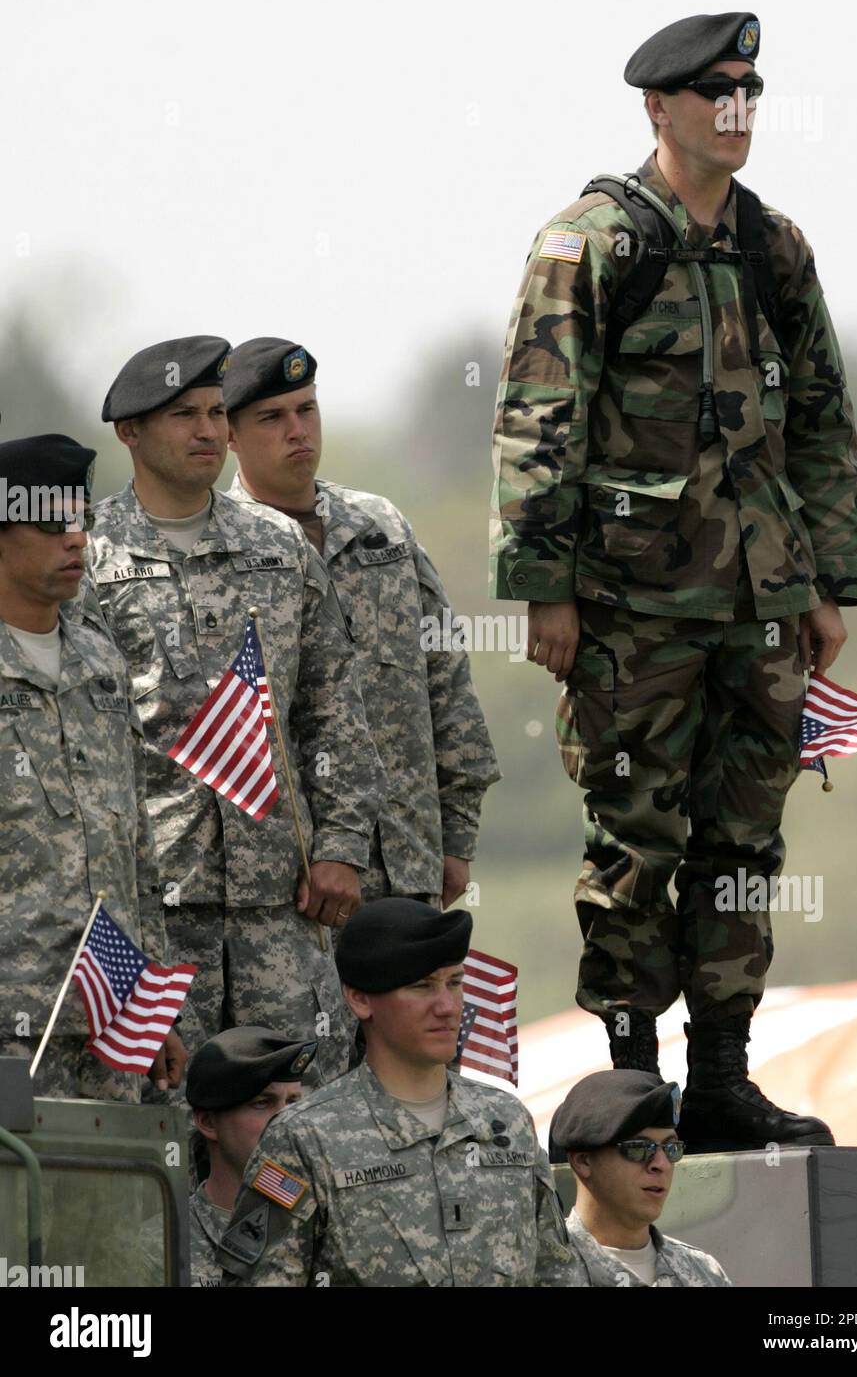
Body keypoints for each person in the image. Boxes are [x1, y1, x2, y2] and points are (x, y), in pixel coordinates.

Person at [489, 12, 857, 1149]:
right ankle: (630, 1082)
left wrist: (826, 581)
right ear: (659, 108)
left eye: (749, 93)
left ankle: (720, 1077)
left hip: (757, 607)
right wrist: (543, 588)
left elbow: (821, 423)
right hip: (631, 607)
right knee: (635, 842)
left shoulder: (774, 247)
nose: (736, 112)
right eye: (715, 94)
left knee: (743, 846)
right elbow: (536, 420)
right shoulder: (593, 243)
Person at [83, 337, 385, 1088]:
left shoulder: (278, 547)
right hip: (154, 908)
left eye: (218, 414)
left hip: (278, 906)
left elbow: (330, 708)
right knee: (168, 1125)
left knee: (293, 1120)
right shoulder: (87, 555)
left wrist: (344, 844)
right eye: (184, 415)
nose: (209, 432)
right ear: (130, 432)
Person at [223, 338, 500, 909]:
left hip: (408, 857)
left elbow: (446, 681)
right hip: (296, 882)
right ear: (230, 436)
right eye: (272, 418)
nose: (297, 430)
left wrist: (458, 832)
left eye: (307, 409)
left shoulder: (380, 528)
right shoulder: (222, 552)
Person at [218, 898, 584, 1287]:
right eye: (422, 986)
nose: (447, 1006)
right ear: (359, 998)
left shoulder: (507, 1121)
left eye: (455, 983)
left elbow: (555, 1271)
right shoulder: (305, 1139)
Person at [0, 434, 183, 1100]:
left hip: (111, 1011)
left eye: (79, 521)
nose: (73, 540)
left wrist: (155, 1004)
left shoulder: (98, 660)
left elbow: (135, 843)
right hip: (12, 1017)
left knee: (112, 1201)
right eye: (51, 525)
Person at [550, 1069, 730, 1287]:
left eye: (671, 1148)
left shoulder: (702, 1271)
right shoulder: (539, 1274)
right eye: (640, 1148)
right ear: (584, 1161)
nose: (661, 1164)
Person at [185, 1026, 315, 1286]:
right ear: (209, 1122)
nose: (285, 1120)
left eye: (294, 1103)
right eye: (262, 1103)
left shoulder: (330, 1229)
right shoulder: (166, 1242)